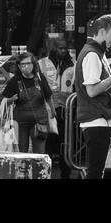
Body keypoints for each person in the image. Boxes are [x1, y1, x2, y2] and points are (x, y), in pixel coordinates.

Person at [74, 15, 111, 180]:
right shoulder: (92, 54)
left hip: (98, 120)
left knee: (95, 172)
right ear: (101, 31)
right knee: (95, 173)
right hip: (98, 121)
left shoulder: (95, 52)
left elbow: (96, 87)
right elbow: (92, 91)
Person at [0, 51, 55, 154]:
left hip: (40, 122)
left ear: (33, 64)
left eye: (28, 63)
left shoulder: (40, 78)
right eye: (22, 64)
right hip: (20, 124)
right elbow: (2, 100)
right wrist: (10, 100)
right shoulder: (15, 81)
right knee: (21, 154)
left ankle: (37, 170)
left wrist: (53, 111)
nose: (26, 66)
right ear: (19, 66)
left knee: (39, 155)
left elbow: (48, 95)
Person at [38, 40, 74, 178]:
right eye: (60, 48)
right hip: (48, 109)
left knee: (65, 143)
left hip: (66, 110)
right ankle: (45, 172)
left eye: (65, 48)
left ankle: (66, 173)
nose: (64, 51)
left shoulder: (73, 64)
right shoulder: (42, 63)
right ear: (54, 49)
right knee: (48, 142)